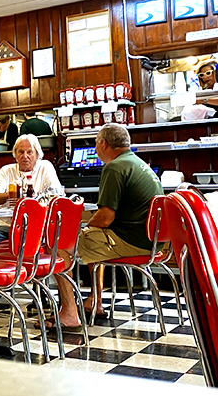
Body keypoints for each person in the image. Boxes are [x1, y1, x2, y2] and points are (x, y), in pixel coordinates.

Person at [50, 123, 163, 329]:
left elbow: (104, 218)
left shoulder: (114, 167)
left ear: (103, 143)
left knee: (59, 243)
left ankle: (68, 312)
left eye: (95, 143)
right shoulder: (138, 163)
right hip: (152, 241)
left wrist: (82, 229)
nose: (95, 148)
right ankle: (96, 301)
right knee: (94, 239)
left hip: (132, 242)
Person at [0, 134, 62, 259]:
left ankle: (22, 274)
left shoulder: (45, 167)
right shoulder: (6, 170)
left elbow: (57, 195)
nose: (25, 156)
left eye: (29, 152)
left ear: (37, 155)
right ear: (15, 155)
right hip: (6, 226)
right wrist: (12, 194)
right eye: (21, 152)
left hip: (35, 226)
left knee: (29, 247)